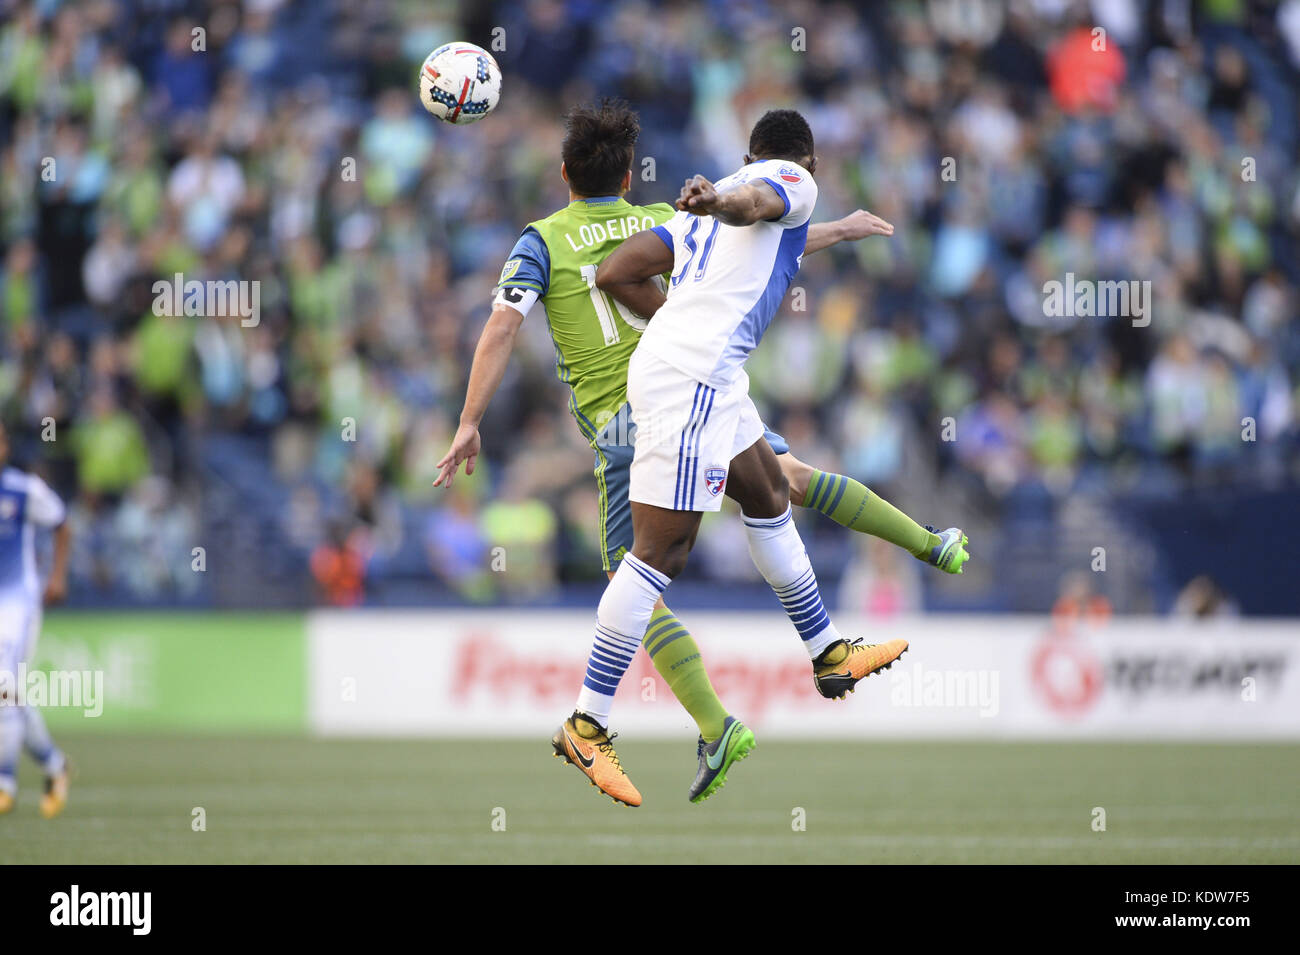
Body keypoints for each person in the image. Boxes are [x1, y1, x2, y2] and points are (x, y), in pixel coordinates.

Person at [436, 102, 967, 805]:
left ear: (565, 173)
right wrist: (793, 224)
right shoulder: (696, 202)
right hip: (678, 388)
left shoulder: (544, 239)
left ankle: (814, 659)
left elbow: (508, 323)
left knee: (759, 496)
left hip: (650, 401)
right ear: (628, 175)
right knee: (679, 547)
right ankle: (601, 720)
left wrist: (469, 418)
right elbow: (753, 216)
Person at [0, 420, 72, 818]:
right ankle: (56, 766)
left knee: (4, 686)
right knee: (9, 695)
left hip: (17, 602)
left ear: (6, 447)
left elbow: (63, 524)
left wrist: (57, 576)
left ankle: (4, 783)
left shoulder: (23, 490)